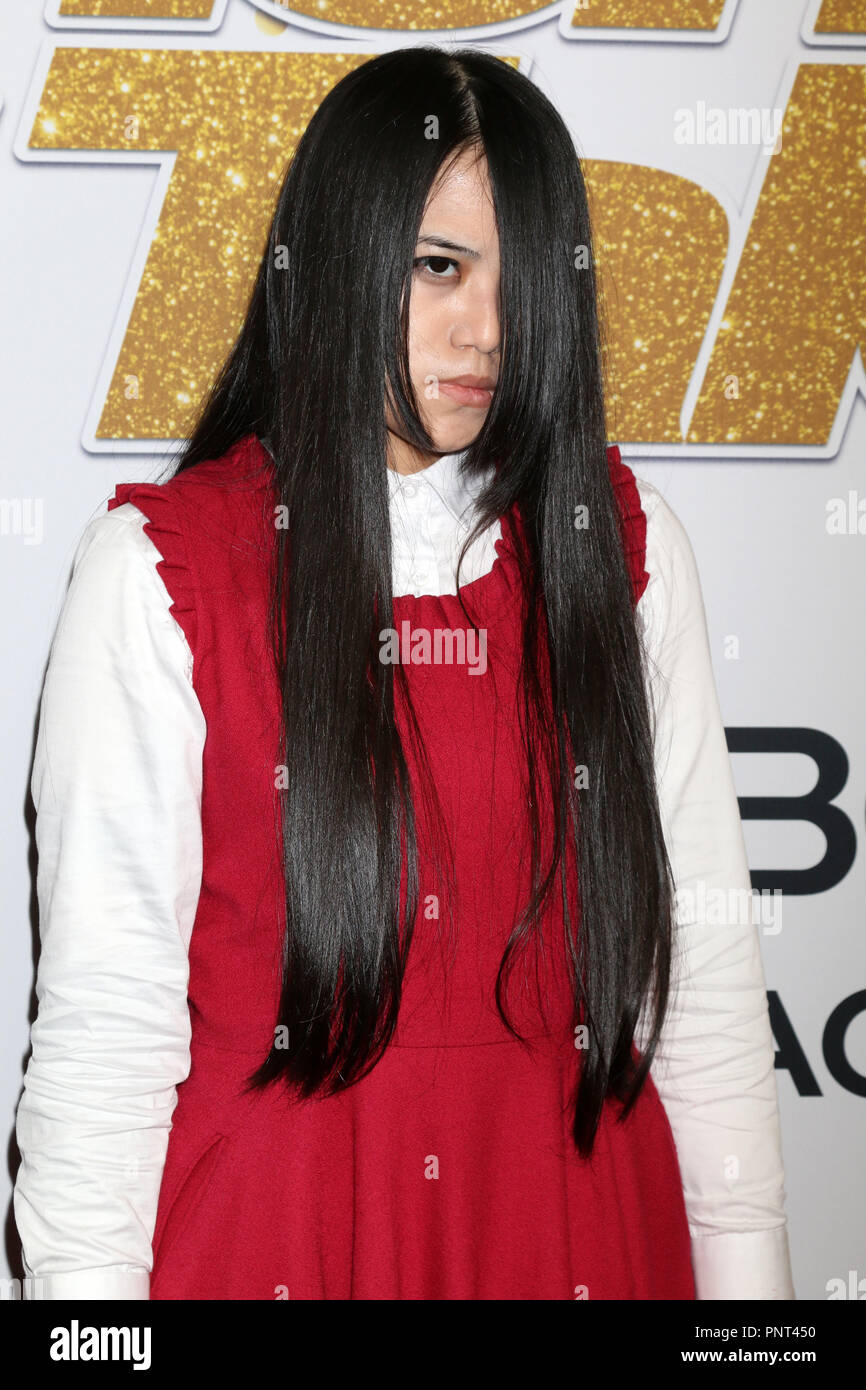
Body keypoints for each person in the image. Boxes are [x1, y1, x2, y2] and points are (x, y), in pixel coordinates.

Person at [14, 45, 794, 1301]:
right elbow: (106, 1038)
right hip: (279, 1245)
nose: (485, 327)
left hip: (581, 1236)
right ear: (334, 258)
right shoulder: (162, 576)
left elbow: (696, 986)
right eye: (438, 265)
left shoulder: (620, 547)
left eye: (519, 276)